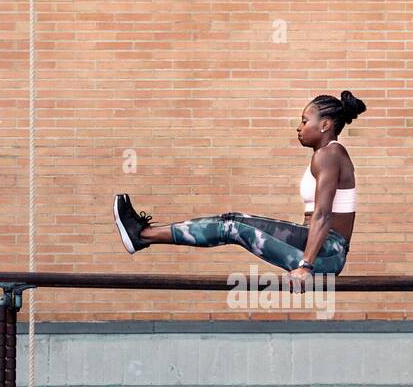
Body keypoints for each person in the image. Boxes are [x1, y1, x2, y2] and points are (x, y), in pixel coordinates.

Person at [113, 90, 365, 283]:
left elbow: (323, 214)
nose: (299, 127)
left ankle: (143, 235)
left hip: (327, 254)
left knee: (232, 228)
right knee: (231, 220)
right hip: (312, 242)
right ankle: (143, 235)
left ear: (325, 125)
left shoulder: (329, 154)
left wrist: (306, 266)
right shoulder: (327, 154)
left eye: (304, 120)